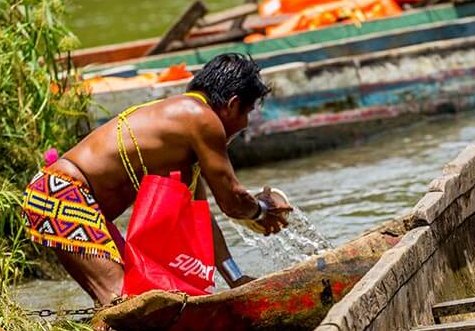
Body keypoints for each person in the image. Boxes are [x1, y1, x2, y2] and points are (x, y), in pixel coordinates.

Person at [22, 53, 290, 306]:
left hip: (63, 196)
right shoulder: (202, 119)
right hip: (61, 192)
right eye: (247, 112)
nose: (245, 123)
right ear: (232, 104)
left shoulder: (181, 126)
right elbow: (231, 201)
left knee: (137, 296)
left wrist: (235, 279)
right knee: (122, 300)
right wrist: (262, 210)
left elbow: (203, 218)